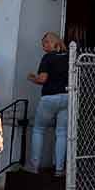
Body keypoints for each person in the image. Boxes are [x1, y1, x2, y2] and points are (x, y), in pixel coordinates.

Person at [28, 32, 69, 176]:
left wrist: (32, 78)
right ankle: (59, 168)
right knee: (62, 133)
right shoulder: (69, 57)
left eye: (46, 42)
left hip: (50, 98)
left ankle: (34, 166)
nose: (43, 45)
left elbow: (42, 79)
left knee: (38, 129)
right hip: (67, 96)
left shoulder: (48, 58)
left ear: (54, 43)